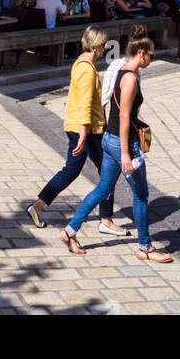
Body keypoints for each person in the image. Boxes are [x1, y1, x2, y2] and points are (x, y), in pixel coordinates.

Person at [61, 28, 173, 262]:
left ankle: (70, 230)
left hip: (108, 139)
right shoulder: (131, 78)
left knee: (102, 189)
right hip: (124, 143)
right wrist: (125, 152)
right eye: (151, 56)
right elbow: (123, 116)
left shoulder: (120, 70)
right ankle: (145, 247)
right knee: (141, 195)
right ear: (141, 53)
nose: (152, 60)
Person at [26, 25, 130, 237]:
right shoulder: (86, 69)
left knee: (71, 170)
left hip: (79, 126)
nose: (104, 49)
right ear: (97, 45)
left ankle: (38, 206)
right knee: (108, 170)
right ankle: (106, 219)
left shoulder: (81, 63)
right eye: (103, 45)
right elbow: (83, 103)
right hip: (87, 129)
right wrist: (83, 133)